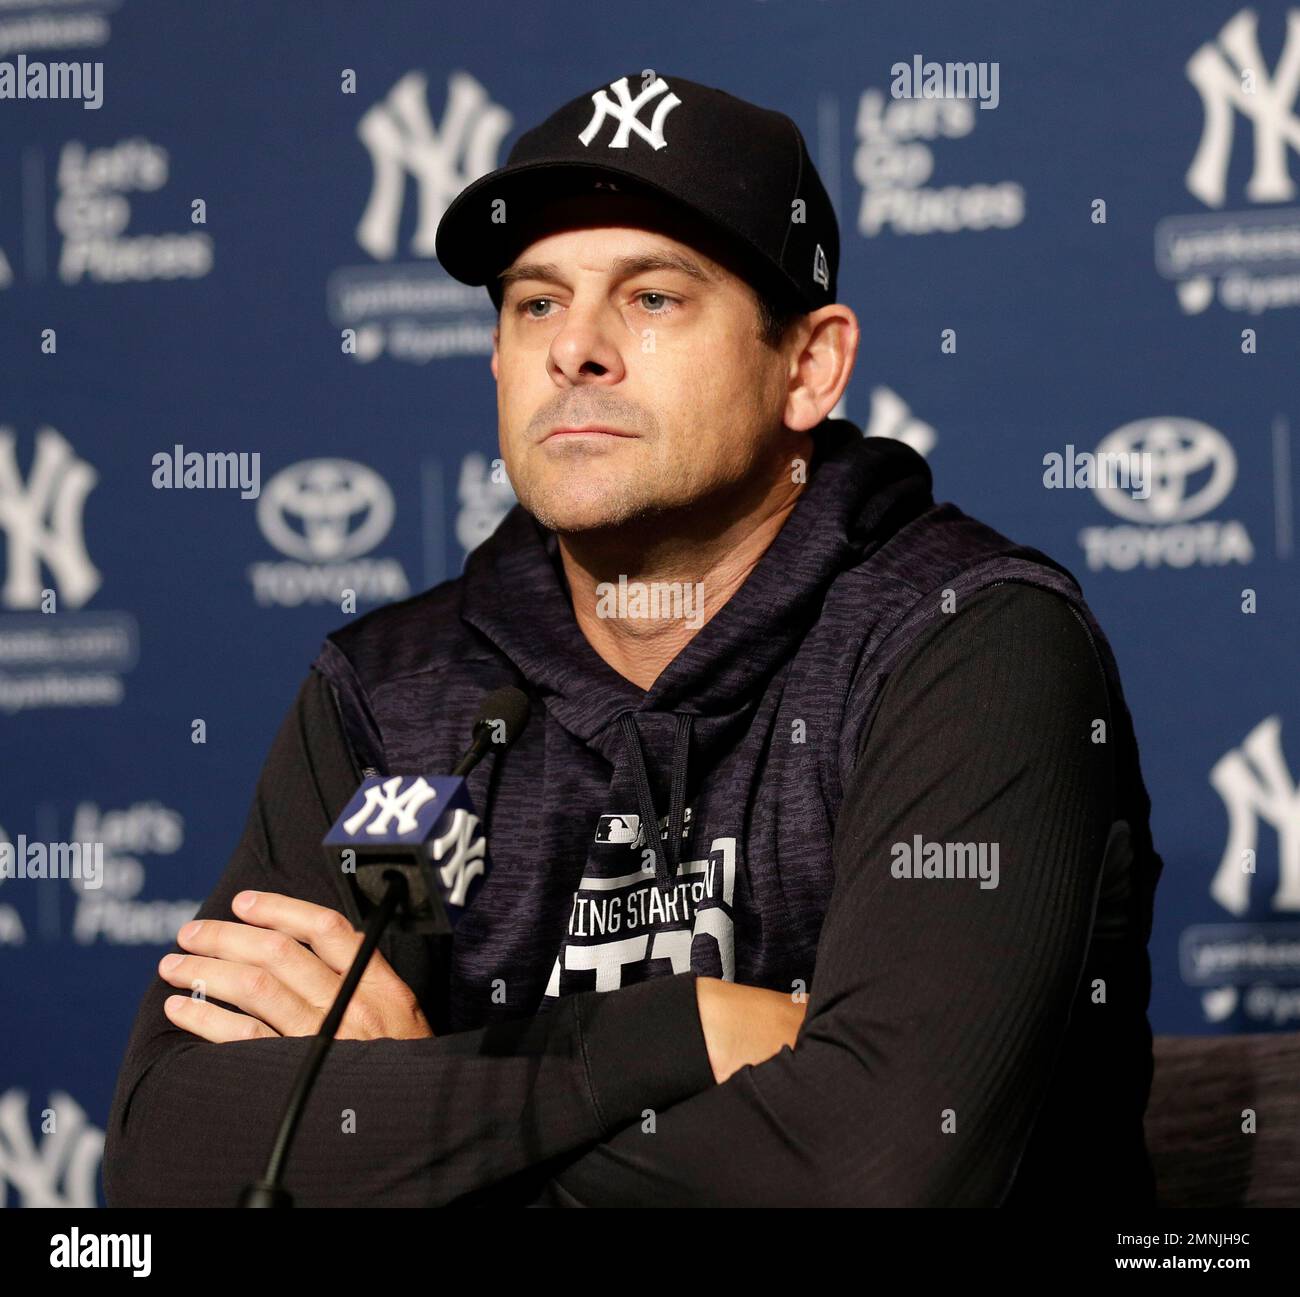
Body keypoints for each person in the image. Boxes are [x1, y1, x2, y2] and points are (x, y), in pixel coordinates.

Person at [104, 71, 1163, 1207]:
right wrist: (672, 1036)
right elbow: (170, 1161)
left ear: (808, 365)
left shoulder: (970, 643)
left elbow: (873, 1171)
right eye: (535, 303)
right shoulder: (394, 690)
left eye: (653, 298)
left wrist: (406, 1123)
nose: (578, 351)